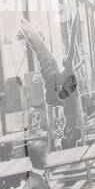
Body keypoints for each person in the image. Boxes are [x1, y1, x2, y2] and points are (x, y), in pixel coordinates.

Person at [18, 16, 84, 150]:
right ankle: (29, 32)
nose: (65, 59)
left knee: (46, 56)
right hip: (61, 95)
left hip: (60, 95)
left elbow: (71, 47)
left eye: (66, 59)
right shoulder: (67, 72)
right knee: (46, 57)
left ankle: (29, 32)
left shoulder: (68, 69)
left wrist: (75, 23)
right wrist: (75, 22)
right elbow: (70, 48)